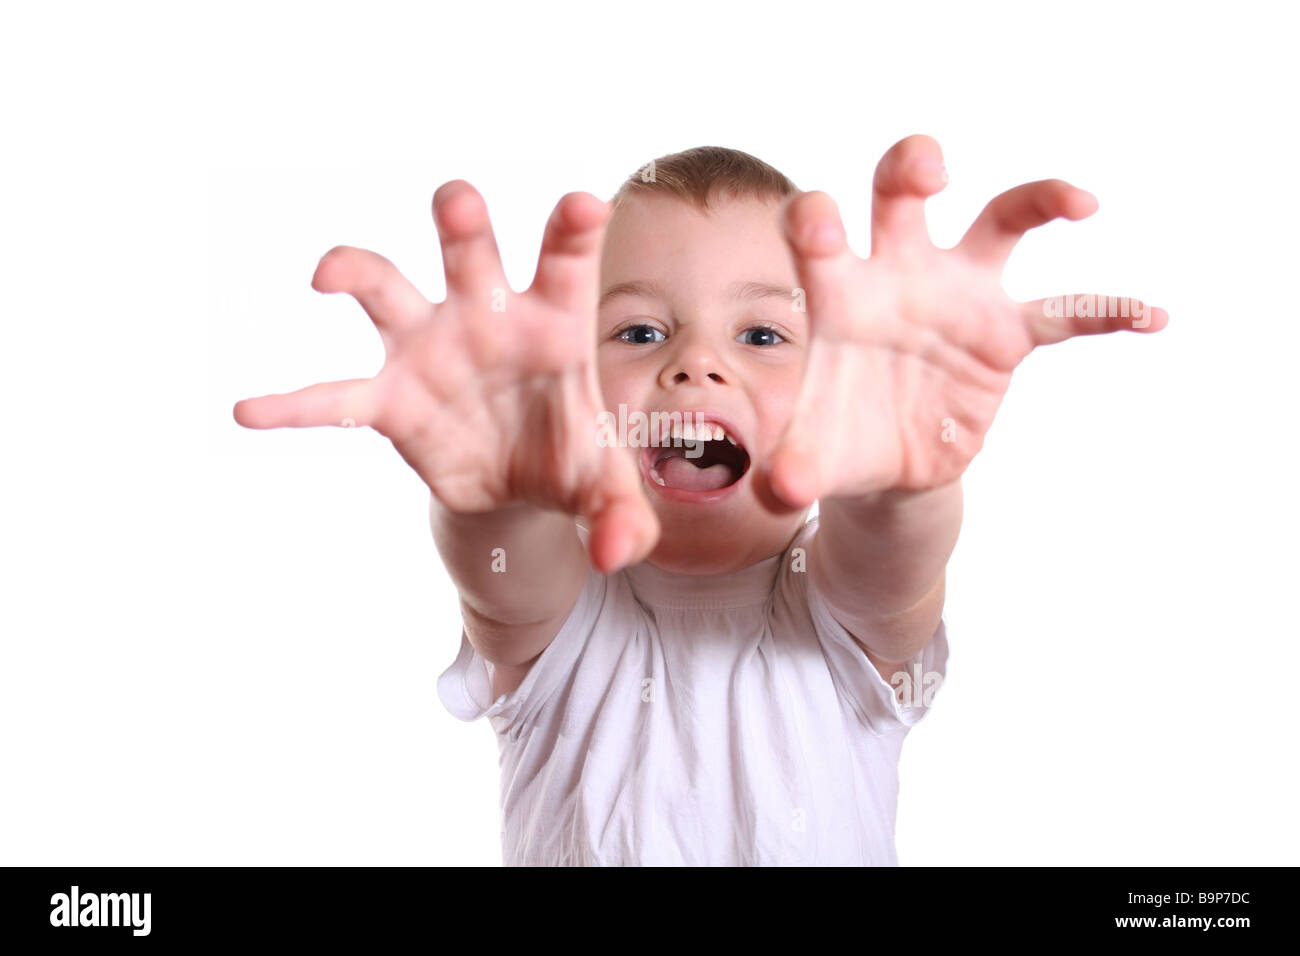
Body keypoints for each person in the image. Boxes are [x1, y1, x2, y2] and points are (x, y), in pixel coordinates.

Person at [233, 136, 1167, 865]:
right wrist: (492, 495)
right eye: (639, 330)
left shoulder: (834, 611)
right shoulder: (566, 620)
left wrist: (913, 474)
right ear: (570, 386)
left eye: (762, 334)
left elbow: (893, 561)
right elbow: (503, 582)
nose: (695, 362)